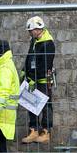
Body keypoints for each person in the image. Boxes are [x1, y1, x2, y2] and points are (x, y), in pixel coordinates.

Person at [20, 15, 56, 144]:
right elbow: (30, 57)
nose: (30, 33)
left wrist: (34, 79)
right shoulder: (34, 41)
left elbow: (45, 64)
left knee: (46, 105)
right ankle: (33, 130)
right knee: (31, 104)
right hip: (32, 79)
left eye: (31, 31)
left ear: (37, 29)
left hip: (43, 80)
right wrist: (25, 71)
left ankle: (45, 132)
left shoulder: (48, 43)